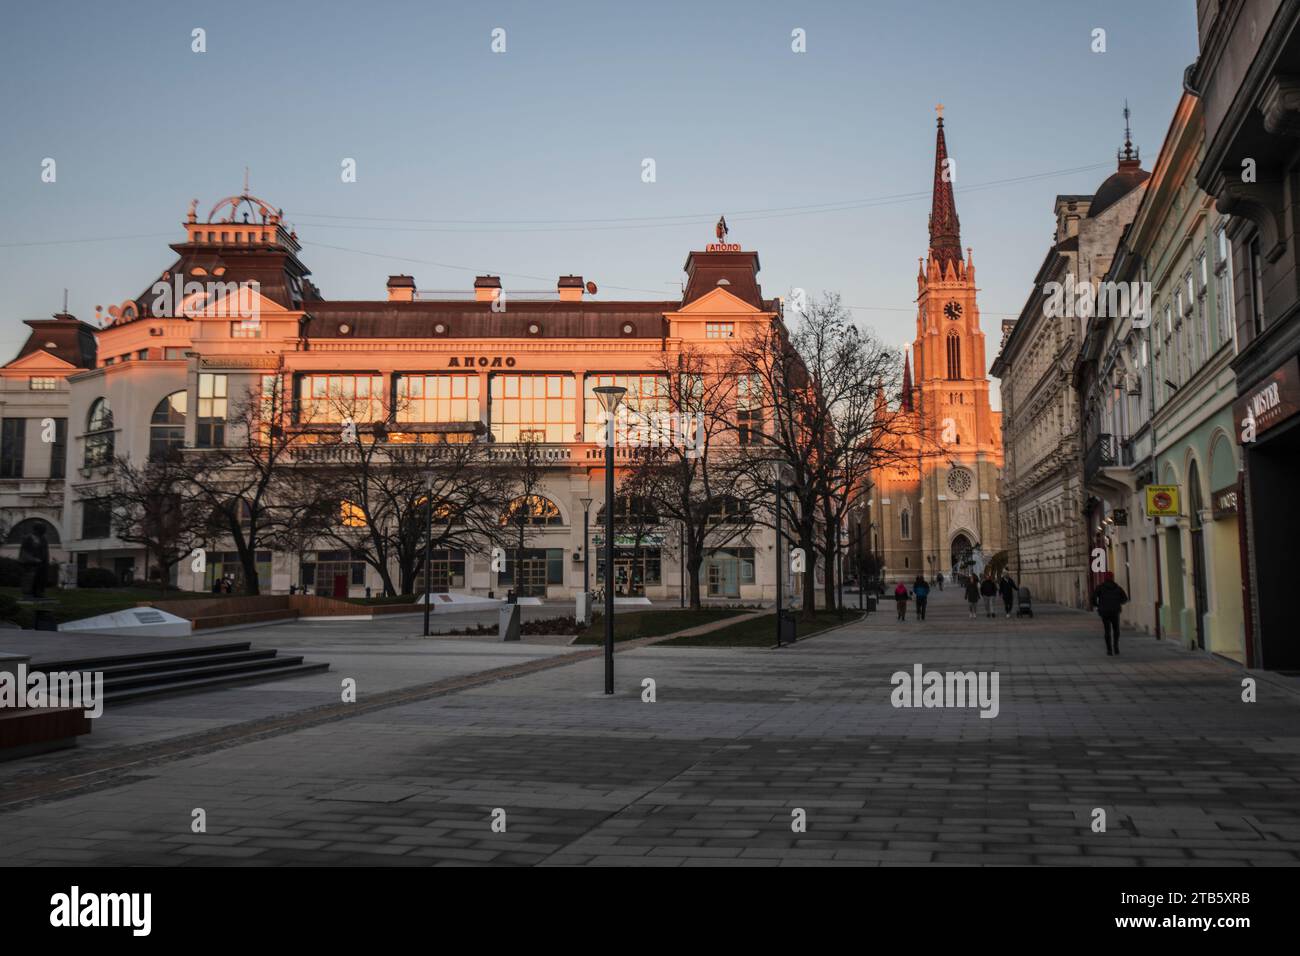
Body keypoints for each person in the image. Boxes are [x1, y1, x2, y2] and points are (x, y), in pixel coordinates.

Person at [1092, 571, 1128, 656]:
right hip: (1115, 611)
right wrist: (1118, 603)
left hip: (1104, 611)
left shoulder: (1100, 587)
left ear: (1105, 578)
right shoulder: (1117, 588)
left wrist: (1097, 605)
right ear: (1112, 578)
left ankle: (1109, 650)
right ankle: (1116, 647)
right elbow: (1125, 598)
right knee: (1116, 630)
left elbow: (1093, 597)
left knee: (1107, 630)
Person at [18, 523, 51, 599]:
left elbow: (45, 552)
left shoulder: (43, 539)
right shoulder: (28, 538)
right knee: (29, 578)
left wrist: (45, 561)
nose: (44, 531)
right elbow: (24, 552)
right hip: (30, 564)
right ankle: (28, 593)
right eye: (43, 529)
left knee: (41, 578)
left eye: (44, 530)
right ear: (37, 529)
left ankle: (39, 592)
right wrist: (33, 559)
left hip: (42, 563)